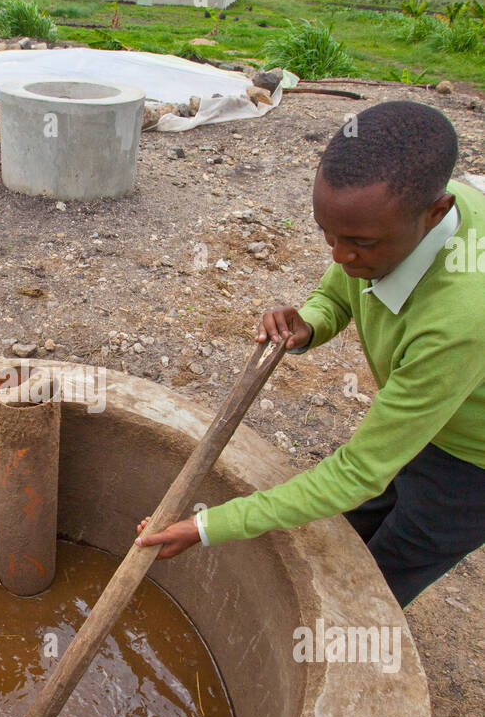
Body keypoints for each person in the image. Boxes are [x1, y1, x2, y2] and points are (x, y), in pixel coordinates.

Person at [135, 100, 485, 608]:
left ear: (436, 212)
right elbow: (339, 291)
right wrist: (312, 320)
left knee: (390, 567)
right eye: (327, 233)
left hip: (473, 459)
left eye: (359, 243)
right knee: (354, 523)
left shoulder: (460, 318)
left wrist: (208, 525)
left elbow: (359, 472)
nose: (339, 256)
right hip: (428, 408)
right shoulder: (391, 227)